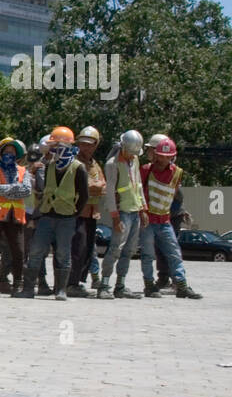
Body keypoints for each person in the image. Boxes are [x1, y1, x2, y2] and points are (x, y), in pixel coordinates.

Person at [20, 126, 87, 300]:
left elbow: (84, 195)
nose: (52, 149)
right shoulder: (49, 166)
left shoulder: (78, 168)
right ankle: (28, 288)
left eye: (55, 145)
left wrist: (74, 213)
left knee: (63, 253)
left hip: (66, 217)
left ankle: (61, 289)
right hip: (47, 215)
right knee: (36, 250)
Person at [140, 135, 201, 299]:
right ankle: (149, 285)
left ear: (172, 156)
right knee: (147, 254)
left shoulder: (177, 173)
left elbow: (174, 195)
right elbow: (138, 193)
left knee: (174, 253)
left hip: (164, 220)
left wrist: (180, 210)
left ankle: (181, 286)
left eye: (168, 156)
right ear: (155, 154)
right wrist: (142, 213)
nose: (163, 159)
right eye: (161, 155)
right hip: (148, 221)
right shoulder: (146, 170)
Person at [99, 130, 146, 299]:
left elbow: (138, 185)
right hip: (122, 212)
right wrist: (115, 217)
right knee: (115, 249)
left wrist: (143, 209)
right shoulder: (112, 164)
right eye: (131, 152)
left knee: (130, 250)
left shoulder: (134, 160)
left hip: (134, 211)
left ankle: (121, 285)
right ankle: (104, 285)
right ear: (123, 147)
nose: (133, 156)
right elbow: (110, 192)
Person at [0, 138, 31, 296]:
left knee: (18, 251)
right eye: (6, 151)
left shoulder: (23, 171)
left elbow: (27, 190)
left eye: (12, 152)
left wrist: (7, 189)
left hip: (15, 217)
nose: (9, 154)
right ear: (1, 153)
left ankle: (17, 284)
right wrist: (15, 187)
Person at [67, 126, 105, 296]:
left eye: (89, 144)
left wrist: (95, 187)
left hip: (92, 212)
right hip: (77, 212)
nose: (85, 147)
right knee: (78, 249)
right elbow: (82, 185)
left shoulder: (94, 164)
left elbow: (103, 186)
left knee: (89, 249)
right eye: (82, 144)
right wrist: (93, 187)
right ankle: (71, 282)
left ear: (96, 145)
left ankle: (79, 282)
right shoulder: (74, 162)